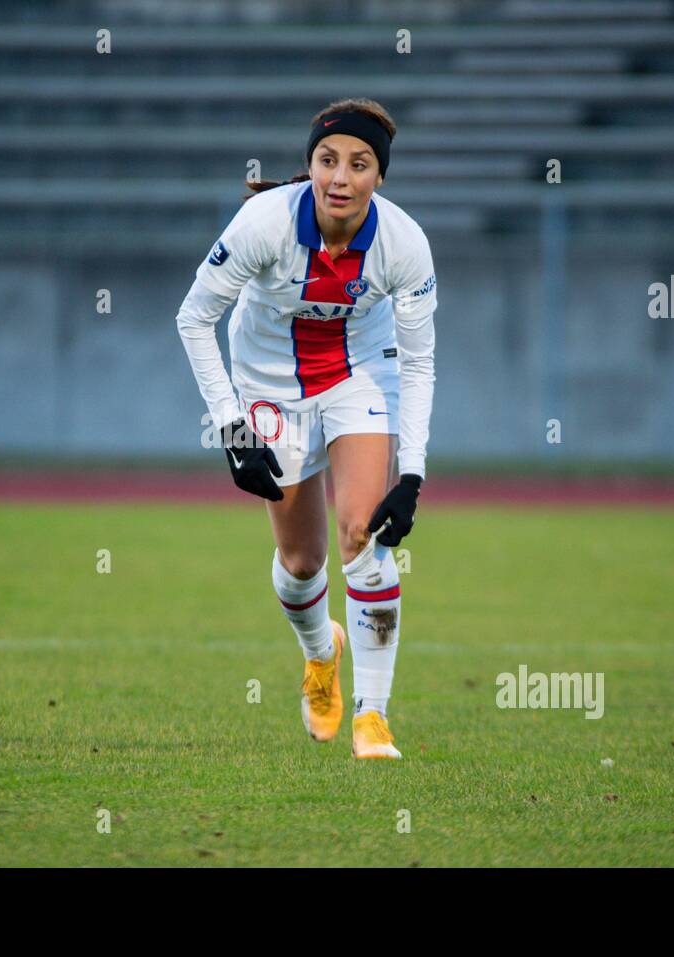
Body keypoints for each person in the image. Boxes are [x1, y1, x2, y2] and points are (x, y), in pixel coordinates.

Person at [175, 98, 437, 759]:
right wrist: (232, 428)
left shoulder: (404, 244)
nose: (340, 178)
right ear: (309, 165)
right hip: (268, 384)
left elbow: (420, 361)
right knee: (301, 562)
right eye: (328, 161)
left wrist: (412, 474)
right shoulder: (263, 224)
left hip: (359, 377)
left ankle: (372, 716)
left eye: (359, 163)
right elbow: (193, 319)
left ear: (380, 176)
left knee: (362, 534)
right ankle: (322, 654)